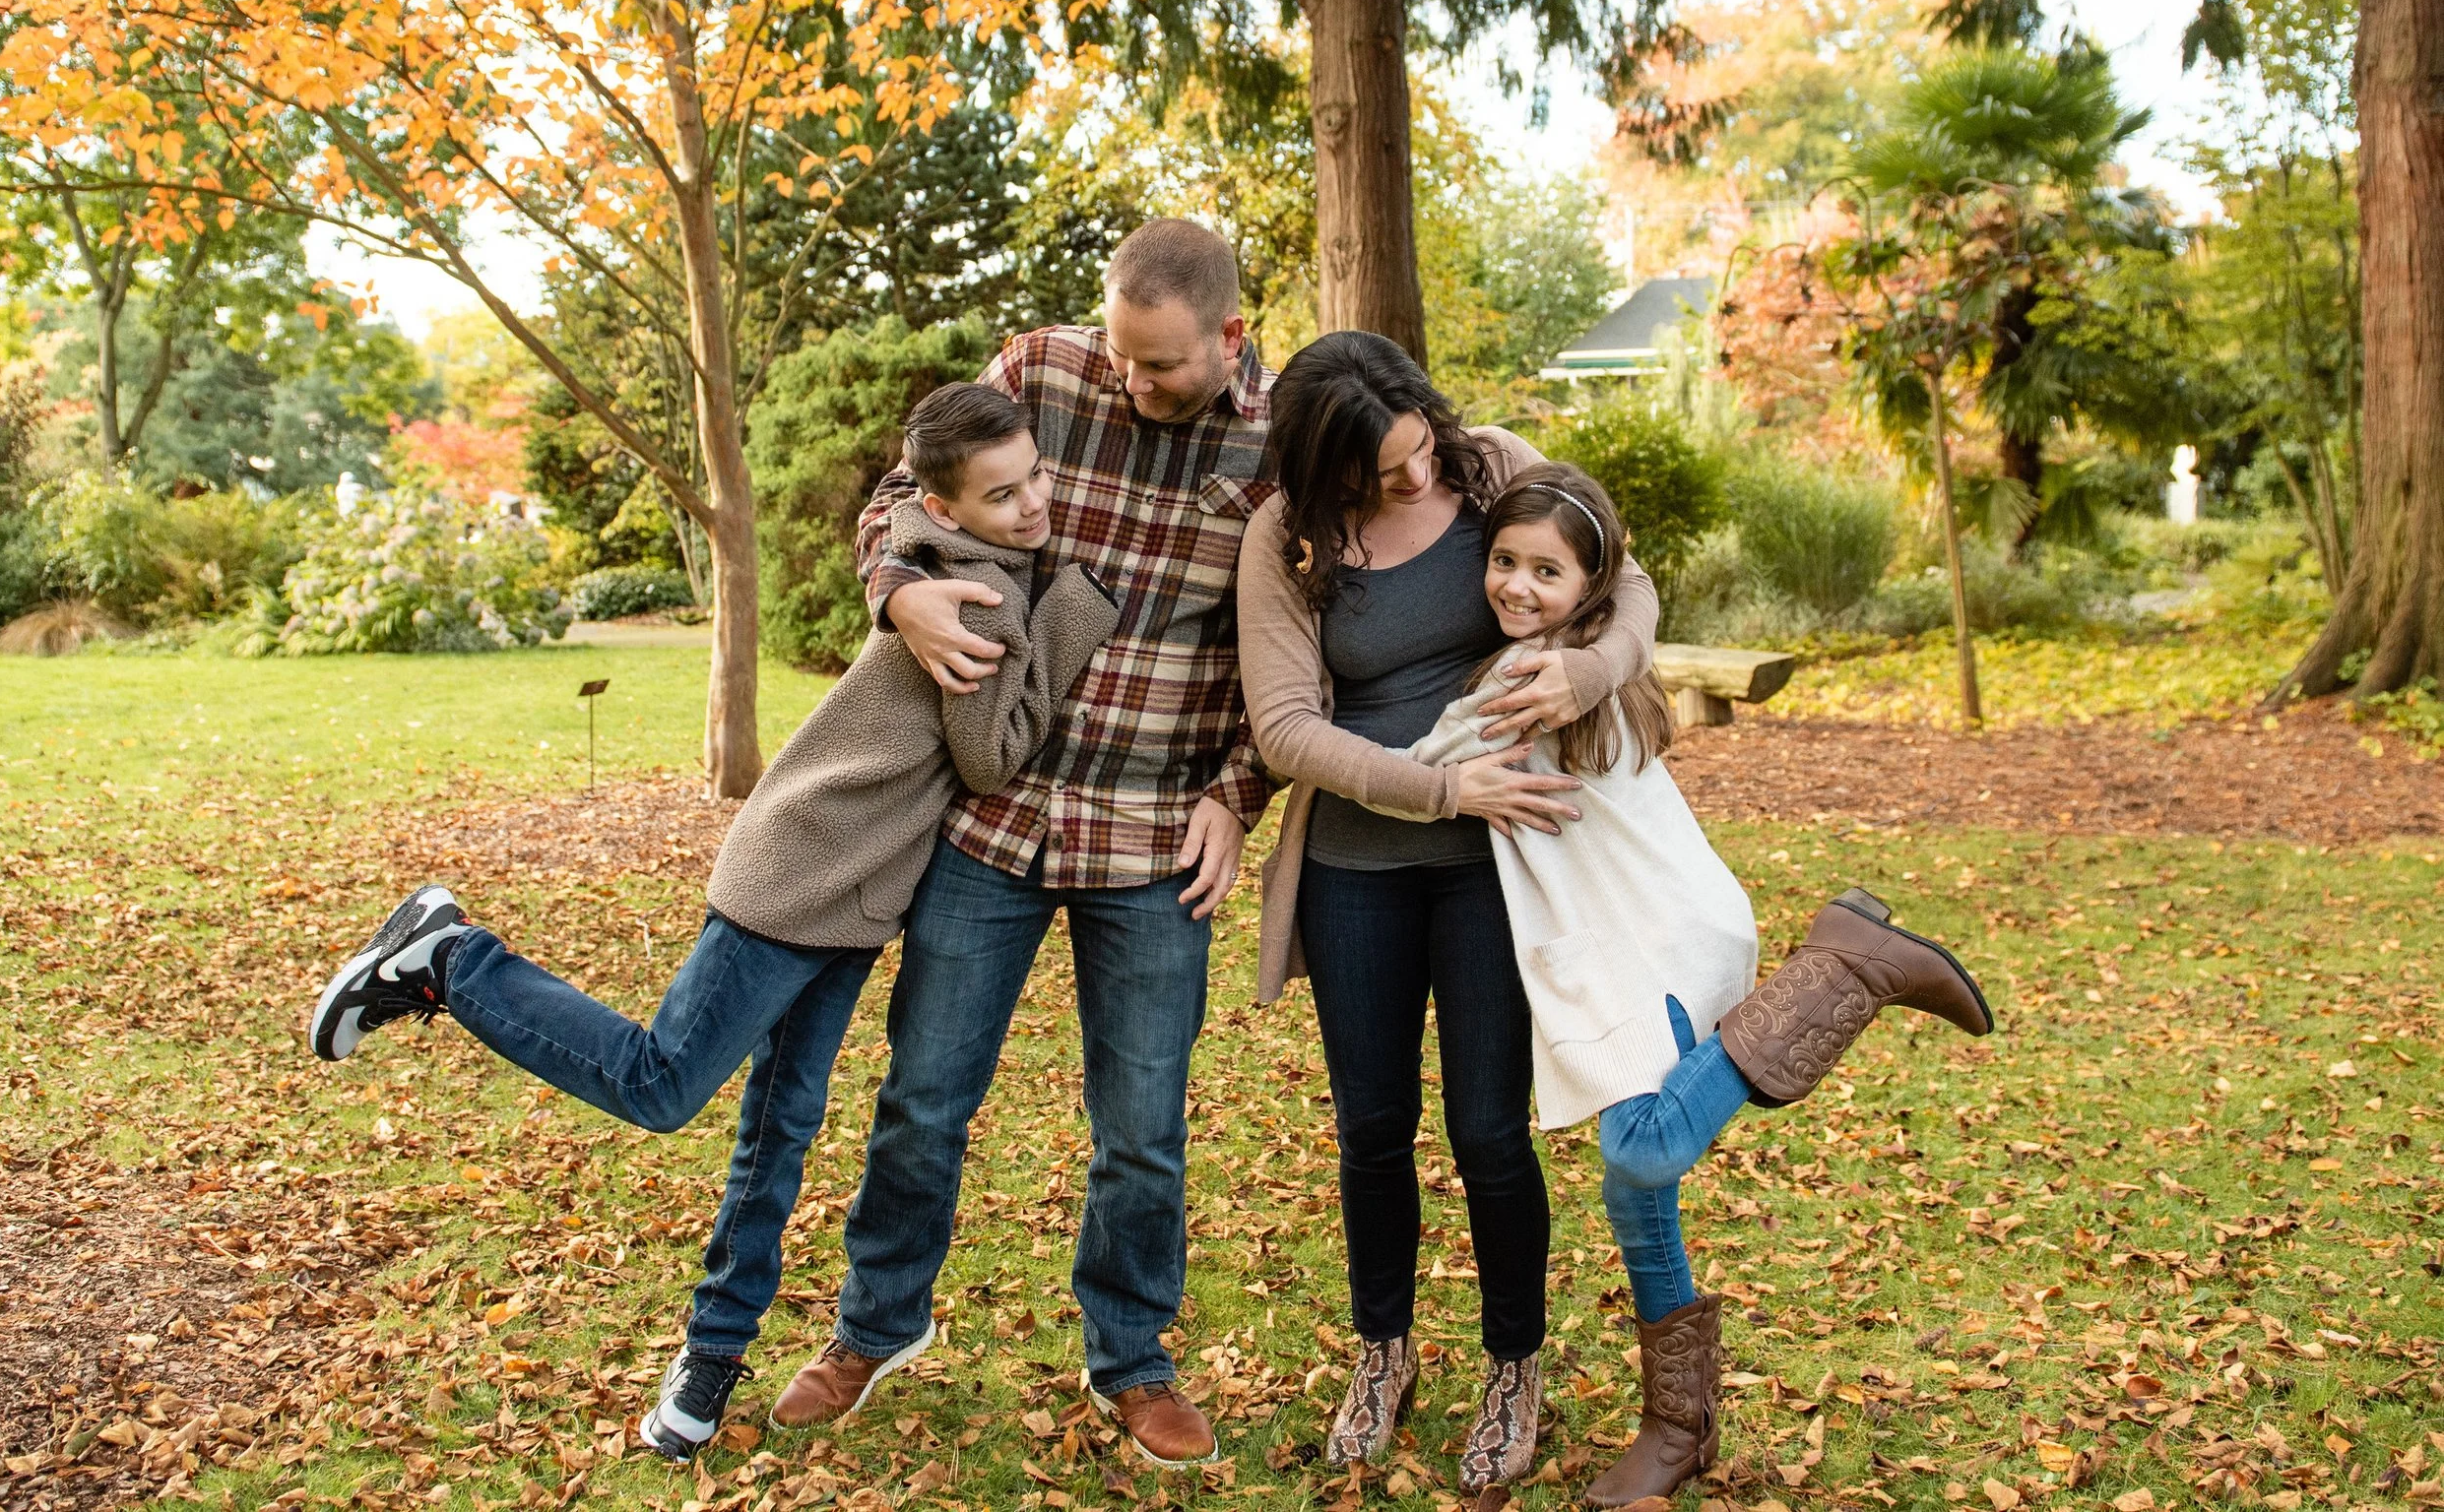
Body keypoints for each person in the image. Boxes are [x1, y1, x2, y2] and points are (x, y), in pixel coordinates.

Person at [302, 385, 1121, 1462]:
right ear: (944, 506)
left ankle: (712, 1354)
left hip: (848, 896)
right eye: (1003, 494)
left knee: (778, 1130)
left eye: (1036, 477)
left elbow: (929, 623)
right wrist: (1074, 616)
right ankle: (451, 959)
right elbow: (990, 756)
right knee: (660, 1082)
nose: (1033, 505)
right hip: (800, 876)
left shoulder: (940, 560)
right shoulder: (983, 596)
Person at [1370, 461, 1996, 1508]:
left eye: (1547, 571)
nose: (1516, 585)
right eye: (1504, 561)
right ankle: (1676, 1428)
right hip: (1636, 938)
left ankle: (1841, 969)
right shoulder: (1595, 664)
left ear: (1593, 584)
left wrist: (1335, 744)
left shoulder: (1531, 678)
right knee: (1637, 1189)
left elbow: (1416, 772)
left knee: (1643, 1149)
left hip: (1648, 942)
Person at [767, 219, 1273, 1468]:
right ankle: (875, 1325)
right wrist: (899, 589)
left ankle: (1133, 1357)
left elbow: (1293, 644)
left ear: (1230, 335)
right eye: (1121, 354)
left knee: (1141, 1126)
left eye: (1162, 365)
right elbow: (902, 498)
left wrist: (1238, 790)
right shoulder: (1042, 370)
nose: (1132, 382)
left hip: (1154, 834)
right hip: (990, 816)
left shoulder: (1280, 445)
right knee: (924, 1098)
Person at [1234, 331, 1668, 1495]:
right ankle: (1382, 1351)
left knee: (1488, 1131)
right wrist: (1439, 789)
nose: (1417, 476)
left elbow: (1626, 581)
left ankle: (1513, 1366)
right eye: (1385, 472)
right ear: (1326, 466)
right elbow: (1284, 729)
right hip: (1357, 870)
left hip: (1497, 868)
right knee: (1372, 1127)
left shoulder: (1491, 465)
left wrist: (1592, 670)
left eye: (1419, 447)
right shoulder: (1285, 538)